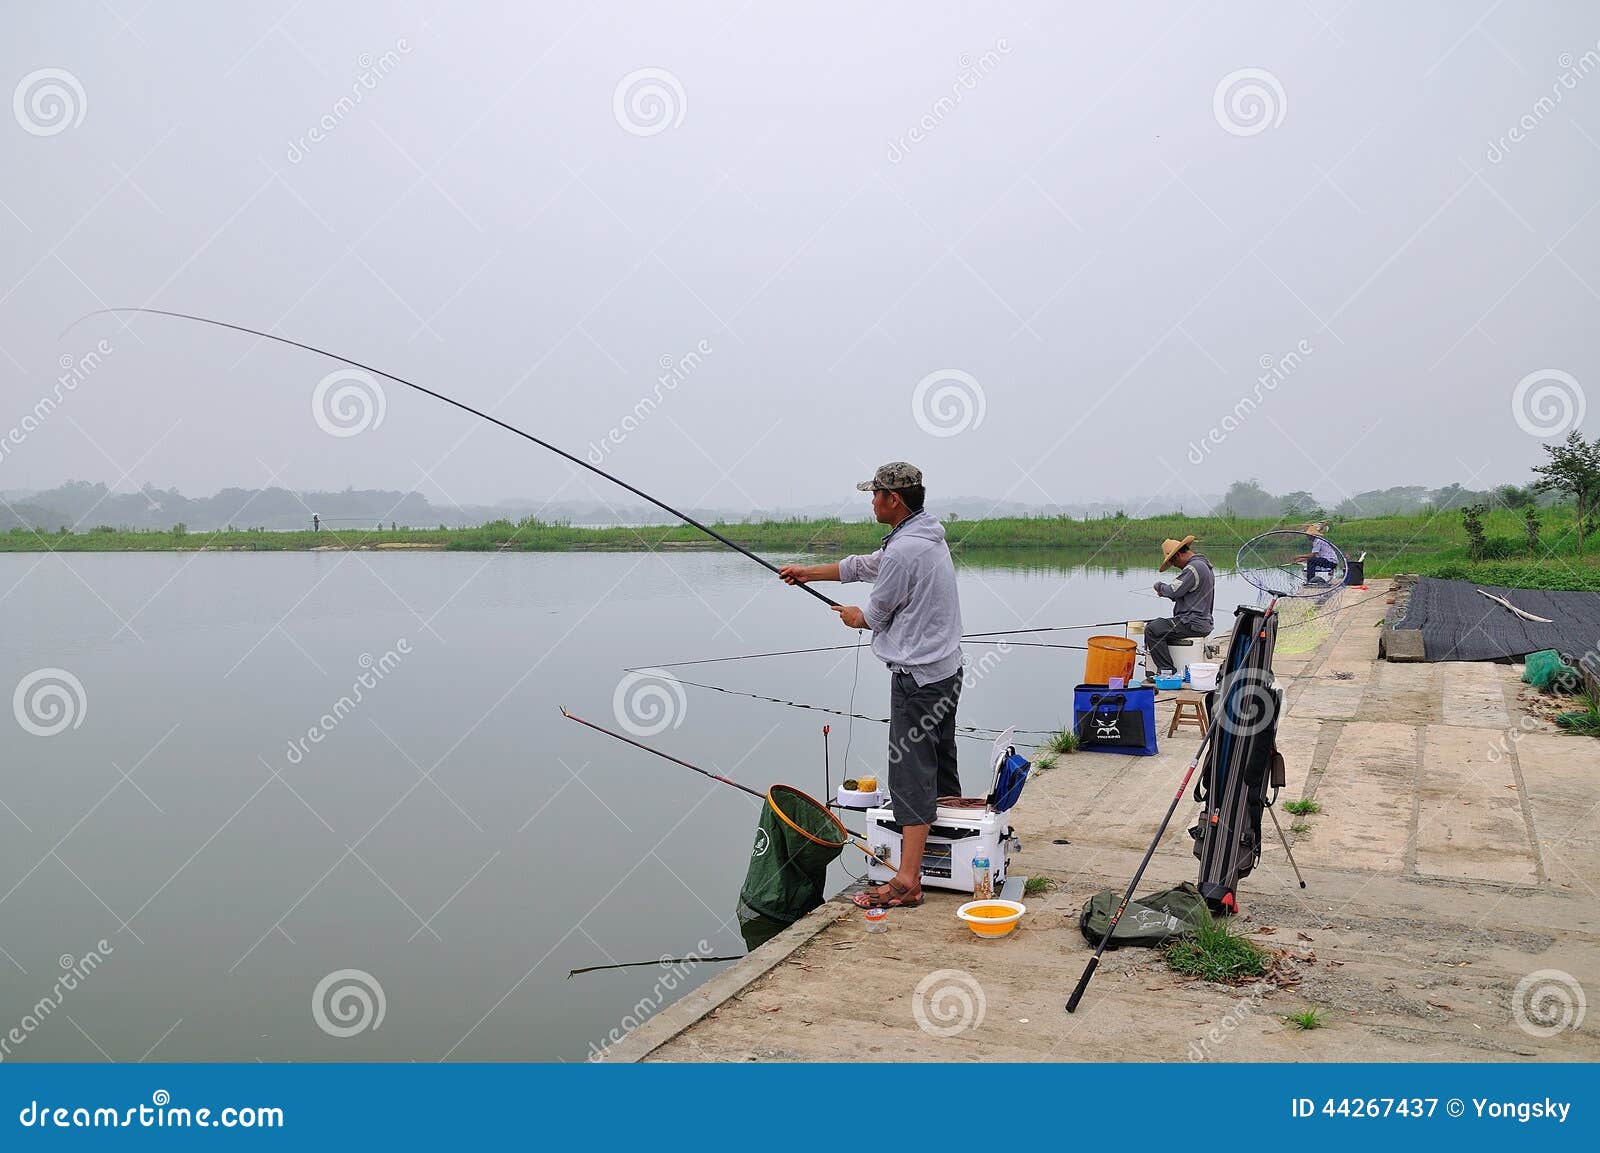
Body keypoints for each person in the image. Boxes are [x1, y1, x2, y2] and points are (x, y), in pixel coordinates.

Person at [778, 462, 962, 910]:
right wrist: (808, 572)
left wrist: (851, 616)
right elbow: (866, 566)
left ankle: (909, 880)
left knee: (910, 773)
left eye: (875, 495)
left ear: (892, 500)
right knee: (938, 767)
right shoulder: (922, 536)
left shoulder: (905, 551)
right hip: (945, 670)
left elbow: (871, 616)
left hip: (917, 679)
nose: (871, 501)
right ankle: (949, 857)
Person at [1145, 534, 1214, 679]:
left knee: (1152, 629)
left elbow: (1173, 590)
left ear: (1177, 555)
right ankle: (1166, 670)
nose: (1176, 567)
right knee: (1158, 625)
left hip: (1192, 622)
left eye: (1174, 563)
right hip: (1199, 622)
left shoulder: (1193, 568)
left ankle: (1167, 672)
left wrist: (1159, 586)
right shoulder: (1203, 565)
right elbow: (1181, 591)